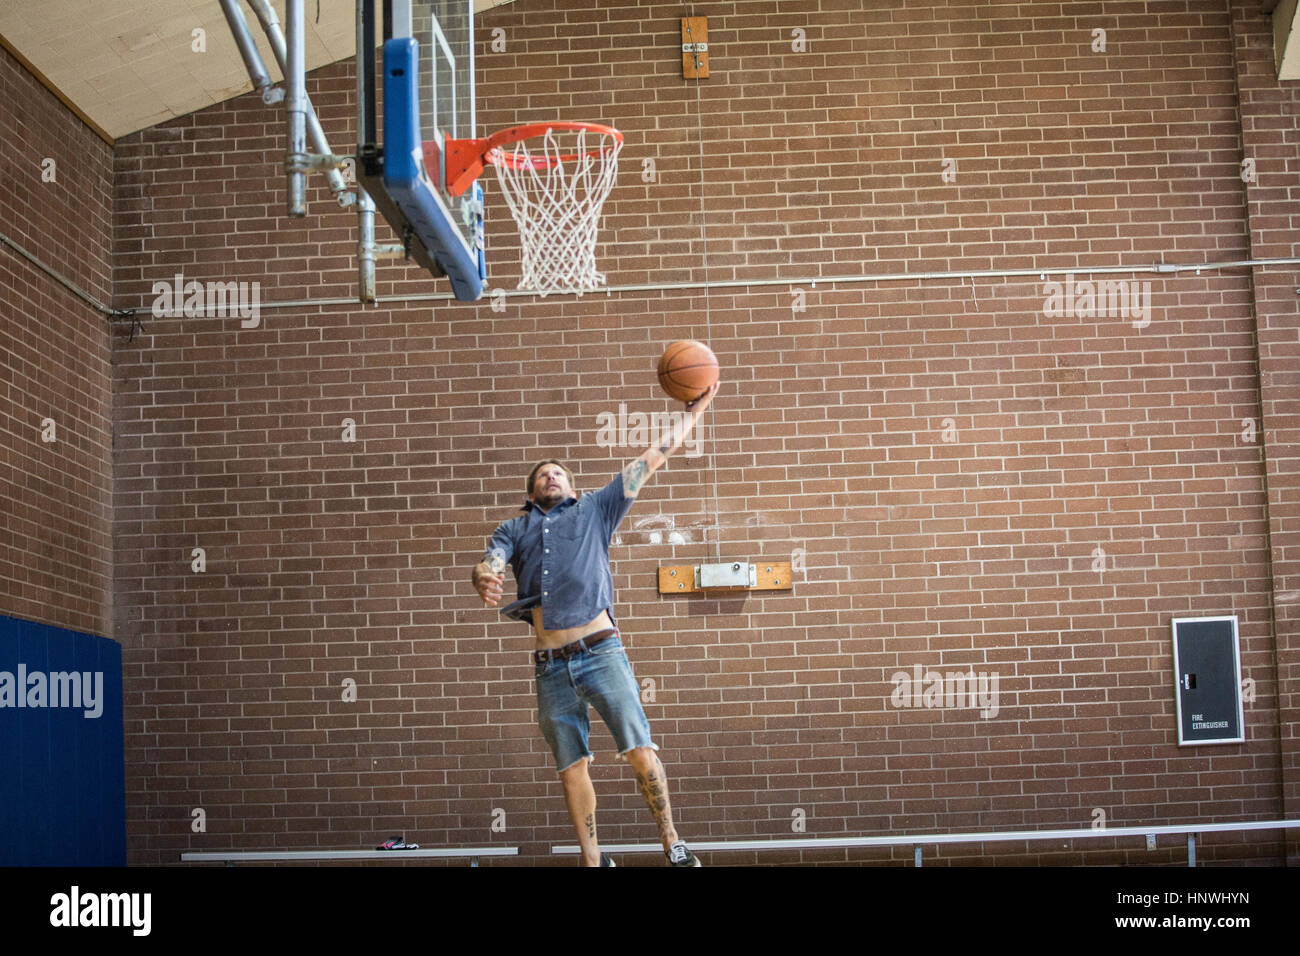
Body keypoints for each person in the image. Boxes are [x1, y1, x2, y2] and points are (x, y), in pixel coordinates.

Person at [471, 383, 718, 867]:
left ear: (573, 487)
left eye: (558, 472)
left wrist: (695, 413)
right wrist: (485, 574)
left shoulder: (596, 508)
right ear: (531, 492)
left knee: (638, 750)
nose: (551, 476)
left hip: (601, 652)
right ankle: (592, 859)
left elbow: (654, 456)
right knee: (571, 768)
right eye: (542, 474)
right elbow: (490, 561)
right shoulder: (514, 528)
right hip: (549, 666)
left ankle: (671, 841)